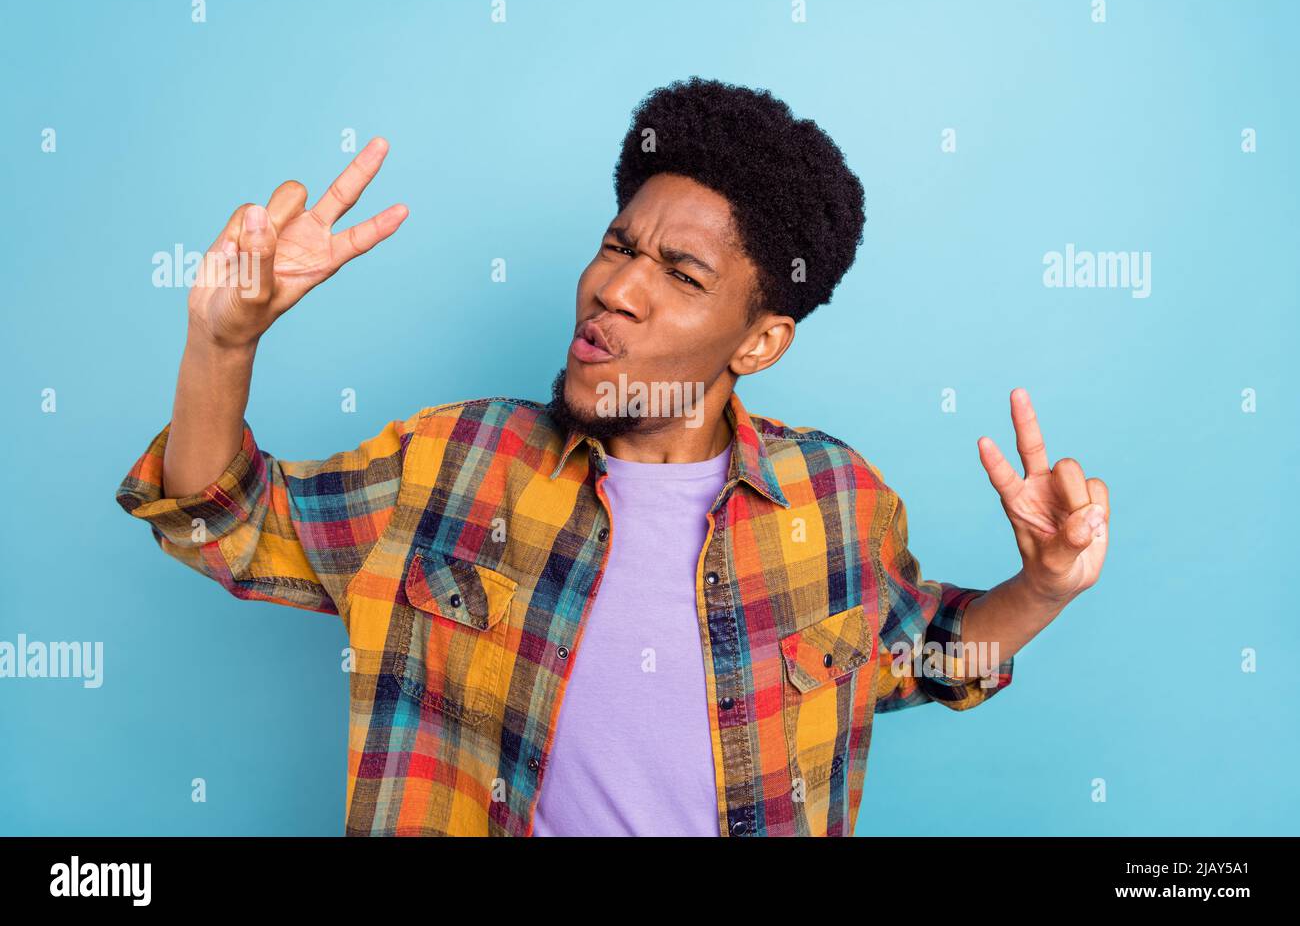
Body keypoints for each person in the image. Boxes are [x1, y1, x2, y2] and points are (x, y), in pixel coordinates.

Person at [116, 76, 1110, 836]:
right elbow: (226, 524)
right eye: (617, 245)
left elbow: (933, 655)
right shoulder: (454, 462)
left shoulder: (837, 501)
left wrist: (1044, 585)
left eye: (678, 273)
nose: (614, 289)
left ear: (758, 341)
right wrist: (221, 343)